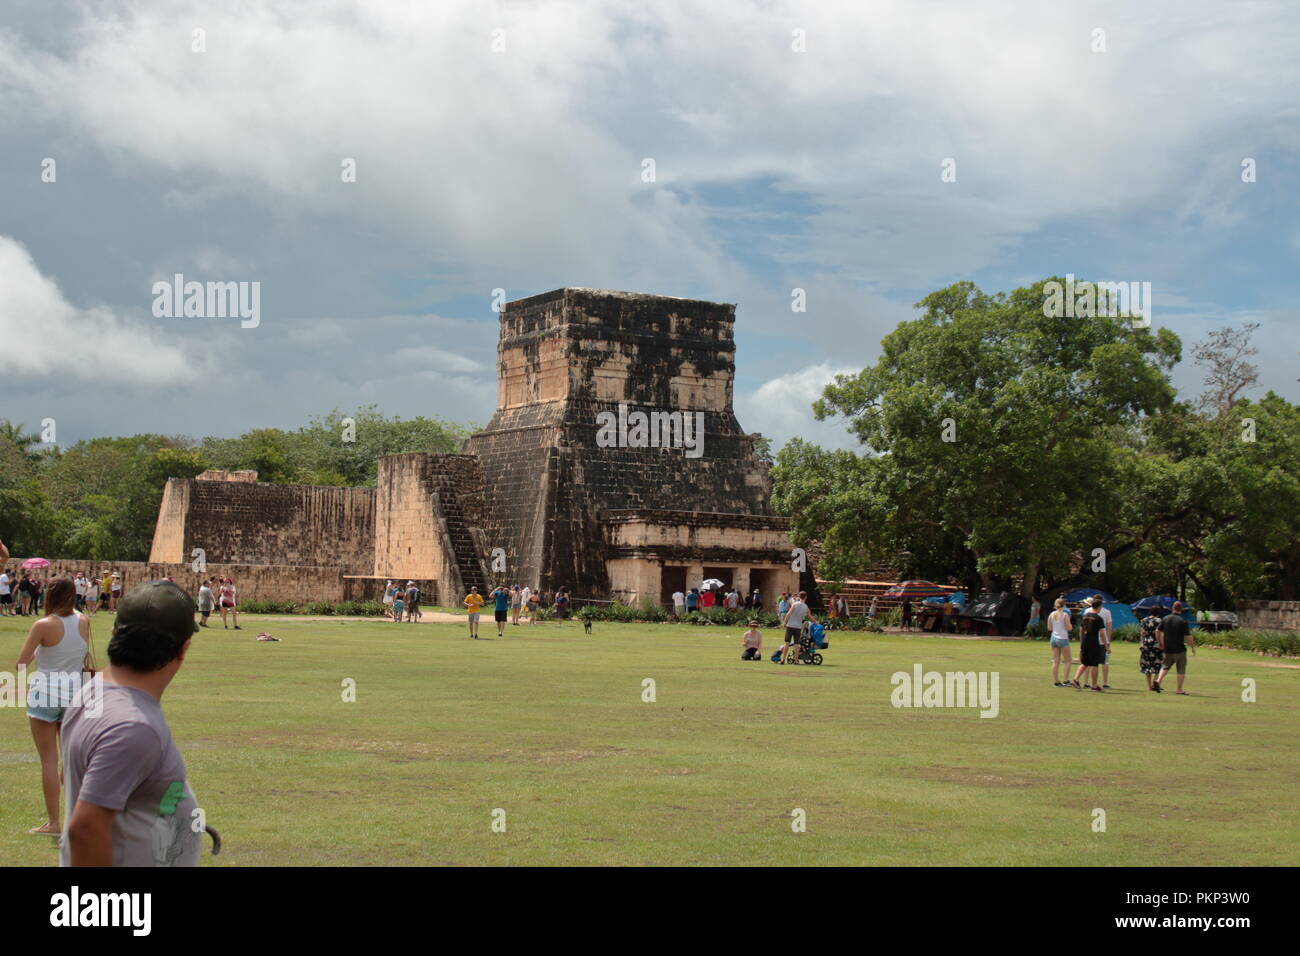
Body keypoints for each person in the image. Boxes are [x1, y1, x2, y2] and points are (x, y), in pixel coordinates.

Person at [61, 579, 202, 866]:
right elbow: (86, 830)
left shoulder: (94, 691)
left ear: (115, 633)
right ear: (183, 649)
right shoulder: (133, 727)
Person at [15, 576, 90, 836]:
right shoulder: (83, 620)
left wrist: (38, 653)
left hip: (45, 693)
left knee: (49, 760)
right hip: (75, 693)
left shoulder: (43, 624)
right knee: (69, 761)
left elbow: (21, 664)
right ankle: (73, 820)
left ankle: (53, 823)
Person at [1154, 601, 1195, 695]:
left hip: (1168, 648)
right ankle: (1179, 689)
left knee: (1165, 666)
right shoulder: (1182, 621)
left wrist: (1160, 642)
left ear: (1172, 608)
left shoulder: (1165, 618)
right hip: (1179, 649)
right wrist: (1192, 647)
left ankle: (1158, 680)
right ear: (1181, 610)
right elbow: (1188, 637)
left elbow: (1157, 631)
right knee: (1181, 669)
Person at [1071, 602, 1108, 692]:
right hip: (1094, 642)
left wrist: (1081, 642)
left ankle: (1075, 679)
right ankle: (1094, 686)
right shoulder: (1098, 618)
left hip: (1085, 641)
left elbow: (1081, 630)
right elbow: (1102, 634)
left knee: (1084, 663)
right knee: (1094, 664)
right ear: (1098, 607)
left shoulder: (1085, 616)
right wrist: (1106, 645)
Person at [775, 591, 813, 663]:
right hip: (798, 627)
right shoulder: (805, 606)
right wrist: (815, 622)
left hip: (790, 625)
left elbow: (788, 614)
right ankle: (796, 660)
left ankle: (783, 659)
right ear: (805, 597)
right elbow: (809, 616)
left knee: (787, 643)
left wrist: (785, 623)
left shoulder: (795, 604)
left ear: (799, 596)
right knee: (796, 644)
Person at [1048, 597, 1073, 686]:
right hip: (1062, 638)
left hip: (1053, 638)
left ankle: (1056, 681)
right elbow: (1069, 628)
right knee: (1068, 660)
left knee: (1056, 661)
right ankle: (1066, 680)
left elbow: (1049, 628)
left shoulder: (1051, 614)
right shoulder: (1065, 615)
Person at [1092, 595, 1114, 688]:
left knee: (1092, 663)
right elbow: (1109, 628)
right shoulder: (1107, 612)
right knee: (1105, 662)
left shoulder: (1088, 611)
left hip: (1091, 640)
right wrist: (1108, 641)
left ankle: (1089, 682)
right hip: (1102, 640)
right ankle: (1105, 682)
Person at [1139, 607, 1164, 691]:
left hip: (1146, 644)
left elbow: (1142, 632)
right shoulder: (1159, 621)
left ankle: (1149, 686)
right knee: (1158, 664)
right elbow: (1160, 633)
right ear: (1158, 612)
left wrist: (1141, 643)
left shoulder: (1143, 620)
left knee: (1147, 665)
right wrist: (1161, 643)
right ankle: (1155, 682)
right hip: (1156, 644)